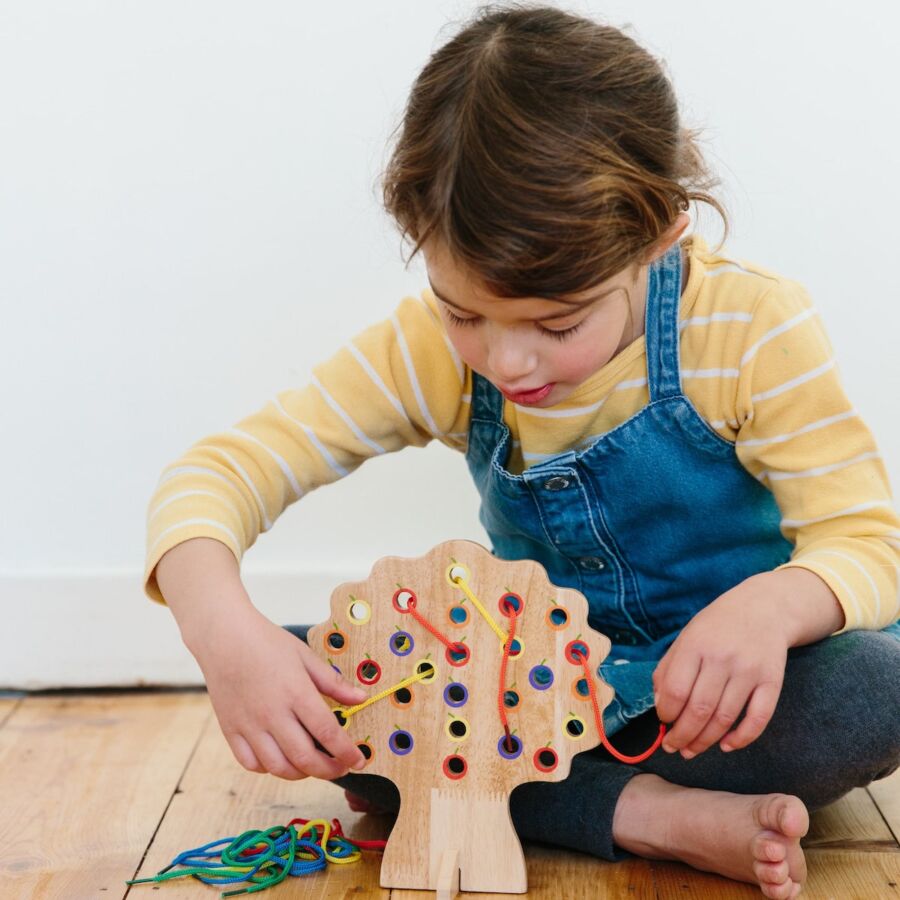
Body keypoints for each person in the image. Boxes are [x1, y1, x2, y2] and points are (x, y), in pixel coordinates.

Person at [144, 6, 900, 898]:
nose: (507, 362)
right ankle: (653, 817)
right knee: (324, 683)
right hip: (538, 695)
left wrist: (775, 609)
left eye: (558, 324)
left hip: (725, 702)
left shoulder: (750, 327)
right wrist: (226, 637)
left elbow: (868, 544)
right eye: (463, 312)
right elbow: (219, 472)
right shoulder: (427, 352)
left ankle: (551, 798)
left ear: (660, 238)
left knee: (877, 688)